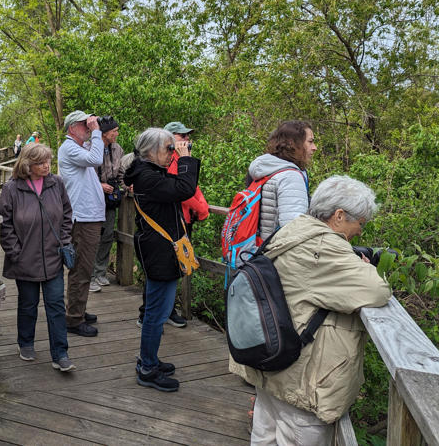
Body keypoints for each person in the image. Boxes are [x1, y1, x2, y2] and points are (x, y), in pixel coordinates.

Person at [235, 175, 391, 445]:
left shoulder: (293, 229)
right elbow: (377, 290)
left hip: (271, 365)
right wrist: (365, 265)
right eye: (360, 223)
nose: (360, 232)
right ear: (339, 215)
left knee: (264, 436)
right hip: (300, 383)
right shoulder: (324, 247)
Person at [123, 127, 199, 392]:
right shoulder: (147, 176)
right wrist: (186, 157)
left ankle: (150, 359)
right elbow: (185, 189)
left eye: (173, 148)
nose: (172, 153)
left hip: (160, 250)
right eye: (169, 148)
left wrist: (178, 156)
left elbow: (178, 189)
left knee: (159, 311)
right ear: (151, 151)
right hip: (159, 252)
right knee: (156, 314)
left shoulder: (149, 172)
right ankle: (147, 369)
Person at [0, 143, 77, 372]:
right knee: (28, 304)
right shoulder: (12, 188)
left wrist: (64, 241)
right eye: (41, 163)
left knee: (56, 305)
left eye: (48, 161)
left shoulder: (56, 183)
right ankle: (26, 342)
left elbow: (67, 214)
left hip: (53, 256)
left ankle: (61, 353)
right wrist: (15, 252)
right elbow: (4, 223)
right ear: (27, 165)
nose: (46, 166)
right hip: (25, 259)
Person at [137, 121, 208, 328]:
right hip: (169, 223)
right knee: (161, 271)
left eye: (187, 137)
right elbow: (183, 189)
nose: (186, 140)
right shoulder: (167, 163)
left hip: (181, 220)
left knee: (173, 269)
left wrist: (201, 207)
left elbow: (194, 188)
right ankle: (150, 315)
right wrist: (201, 209)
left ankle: (166, 311)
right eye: (181, 137)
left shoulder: (172, 160)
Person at [57, 110, 104, 337]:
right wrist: (96, 132)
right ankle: (74, 319)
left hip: (89, 217)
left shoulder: (79, 148)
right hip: (83, 218)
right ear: (71, 128)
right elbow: (97, 159)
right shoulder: (68, 148)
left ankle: (79, 309)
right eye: (84, 124)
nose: (88, 127)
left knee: (84, 268)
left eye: (89, 124)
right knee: (81, 270)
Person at [248, 120, 317, 240]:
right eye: (310, 142)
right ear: (292, 143)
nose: (314, 148)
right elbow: (294, 229)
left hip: (260, 247)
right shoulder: (290, 177)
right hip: (278, 253)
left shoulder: (267, 169)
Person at [90, 115, 124, 292]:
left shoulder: (118, 149)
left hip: (110, 199)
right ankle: (88, 277)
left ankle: (100, 272)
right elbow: (85, 175)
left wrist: (127, 186)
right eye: (114, 131)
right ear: (104, 133)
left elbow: (121, 173)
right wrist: (99, 185)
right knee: (92, 236)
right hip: (92, 199)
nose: (117, 134)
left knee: (107, 235)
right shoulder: (90, 148)